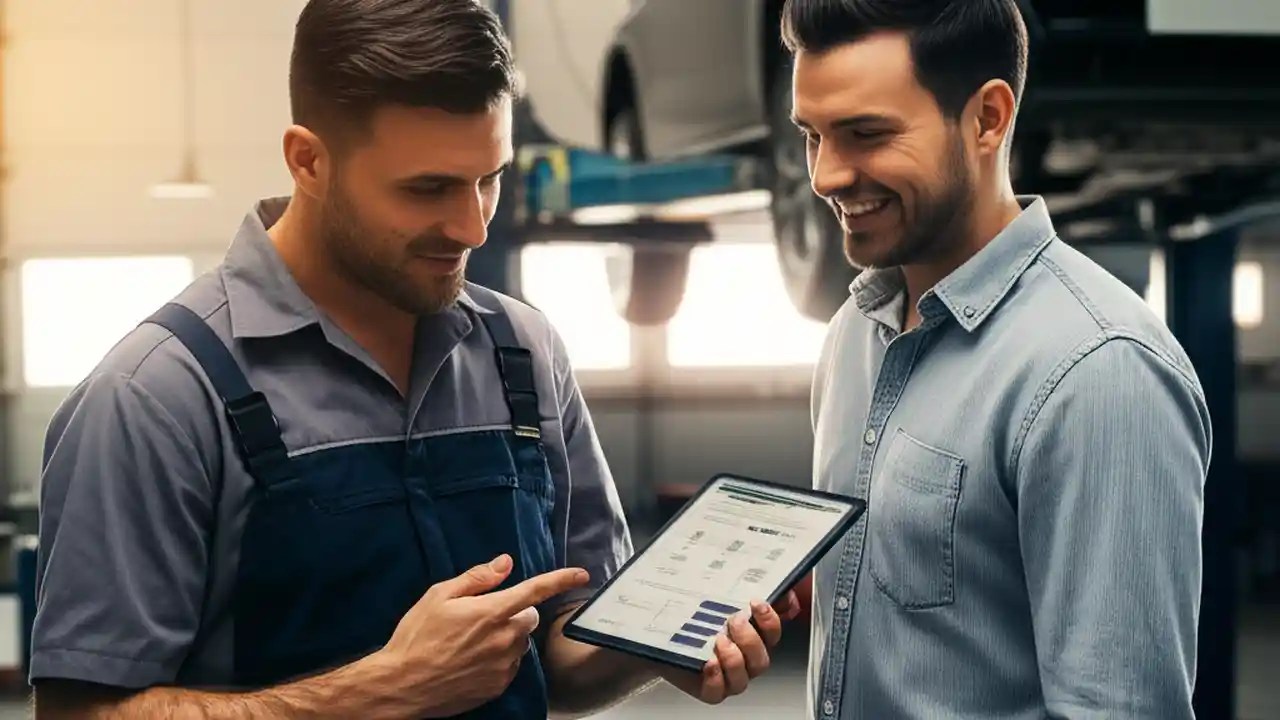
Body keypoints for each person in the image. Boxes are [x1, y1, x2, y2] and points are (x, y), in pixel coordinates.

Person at [29, 1, 797, 717]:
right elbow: (79, 712)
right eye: (428, 188)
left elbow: (556, 655)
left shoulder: (522, 352)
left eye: (489, 179)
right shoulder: (156, 398)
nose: (472, 227)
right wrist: (380, 690)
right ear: (308, 161)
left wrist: (658, 642)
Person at [784, 0, 1212, 717]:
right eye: (812, 136)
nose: (826, 175)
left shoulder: (1099, 371)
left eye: (866, 135)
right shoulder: (853, 335)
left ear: (987, 118)